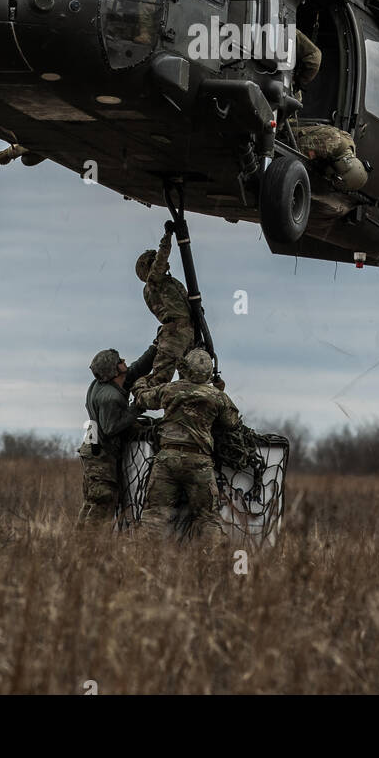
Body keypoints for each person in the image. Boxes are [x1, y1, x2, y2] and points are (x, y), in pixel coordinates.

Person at [132, 348, 241, 544]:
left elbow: (142, 398)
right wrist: (219, 392)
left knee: (154, 517)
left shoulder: (169, 390)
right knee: (207, 519)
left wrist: (140, 381)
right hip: (199, 463)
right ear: (209, 373)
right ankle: (213, 564)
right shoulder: (217, 397)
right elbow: (232, 422)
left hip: (167, 459)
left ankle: (140, 561)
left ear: (185, 369)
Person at [77, 342, 156, 526]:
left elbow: (136, 369)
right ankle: (89, 546)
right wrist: (136, 408)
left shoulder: (105, 383)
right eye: (120, 361)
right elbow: (110, 428)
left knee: (92, 501)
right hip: (101, 456)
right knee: (103, 501)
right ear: (114, 371)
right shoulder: (110, 398)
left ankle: (78, 542)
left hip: (91, 448)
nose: (124, 360)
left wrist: (155, 348)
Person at [291, 27, 368, 191]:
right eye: (337, 178)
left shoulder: (347, 144)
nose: (333, 178)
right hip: (287, 111)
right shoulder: (332, 144)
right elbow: (296, 147)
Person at [135, 222, 196, 384]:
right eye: (153, 261)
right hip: (174, 334)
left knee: (192, 378)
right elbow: (162, 257)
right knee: (160, 379)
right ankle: (138, 402)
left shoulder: (166, 282)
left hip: (186, 332)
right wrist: (168, 235)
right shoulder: (153, 281)